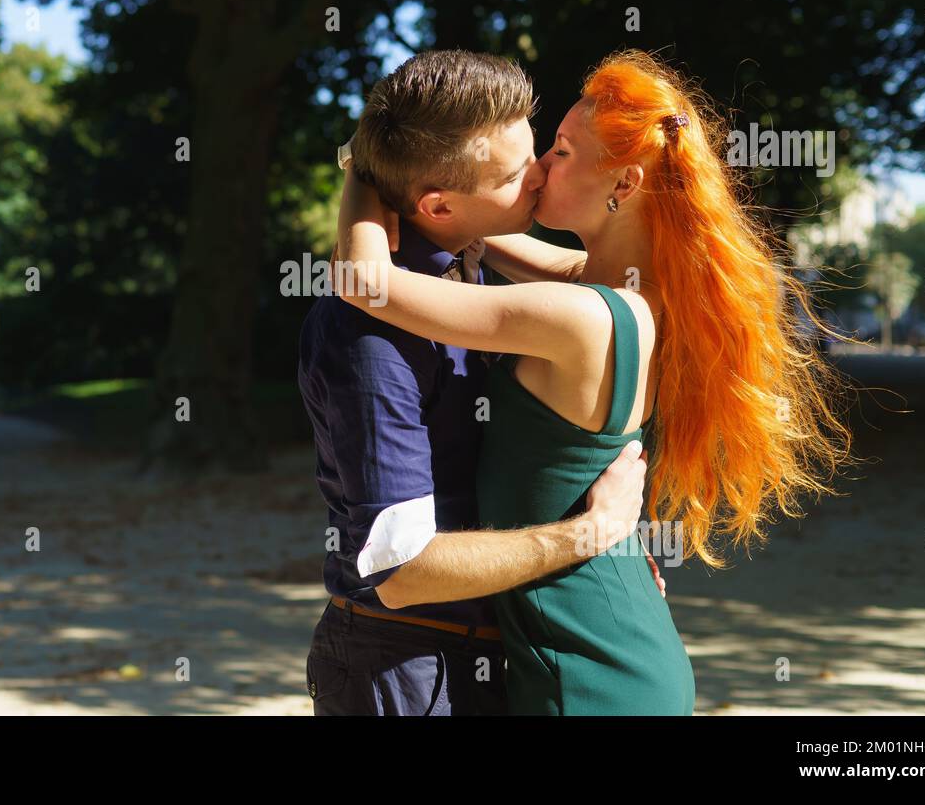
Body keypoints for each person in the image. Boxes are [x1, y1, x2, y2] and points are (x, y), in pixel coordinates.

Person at [336, 49, 852, 714]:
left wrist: (363, 171)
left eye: (561, 152)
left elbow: (363, 283)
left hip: (586, 674)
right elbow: (476, 232)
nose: (540, 165)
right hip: (620, 647)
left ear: (625, 186)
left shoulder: (581, 316)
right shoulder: (626, 294)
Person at [298, 50, 659, 716]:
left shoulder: (479, 265)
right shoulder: (371, 340)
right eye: (522, 170)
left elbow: (581, 271)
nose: (543, 175)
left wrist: (363, 176)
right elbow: (401, 574)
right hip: (409, 667)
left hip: (491, 654)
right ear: (438, 204)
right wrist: (589, 535)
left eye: (542, 151)